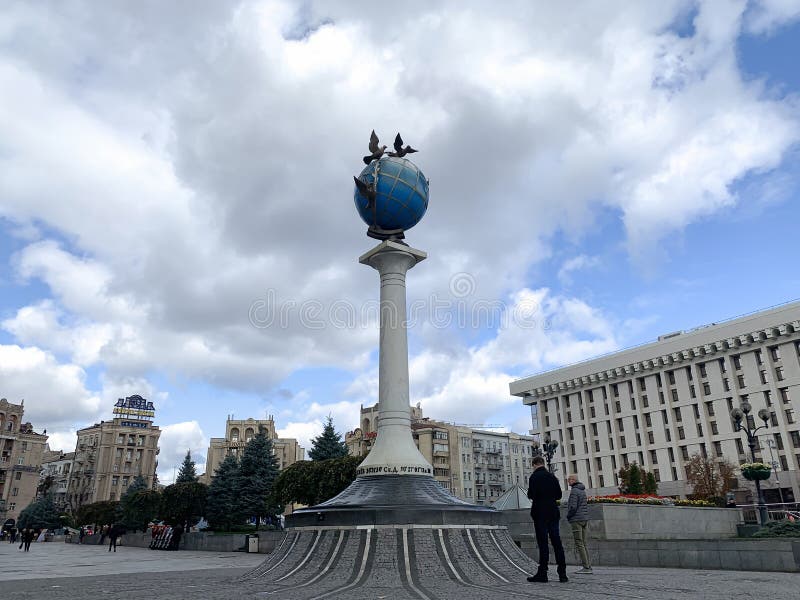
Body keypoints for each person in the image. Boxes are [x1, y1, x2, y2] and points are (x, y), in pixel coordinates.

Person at [526, 456, 567, 583]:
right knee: (557, 542)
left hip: (540, 513)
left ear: (534, 464)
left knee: (543, 543)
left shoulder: (534, 477)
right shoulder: (552, 477)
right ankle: (562, 573)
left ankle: (543, 573)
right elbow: (559, 495)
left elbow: (531, 495)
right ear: (543, 463)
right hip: (553, 512)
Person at [566, 474, 592, 574]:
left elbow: (573, 507)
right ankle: (589, 566)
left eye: (569, 479)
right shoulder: (582, 490)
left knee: (579, 543)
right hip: (584, 519)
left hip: (576, 519)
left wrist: (569, 516)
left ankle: (586, 567)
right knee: (584, 543)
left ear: (573, 480)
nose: (568, 481)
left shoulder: (574, 491)